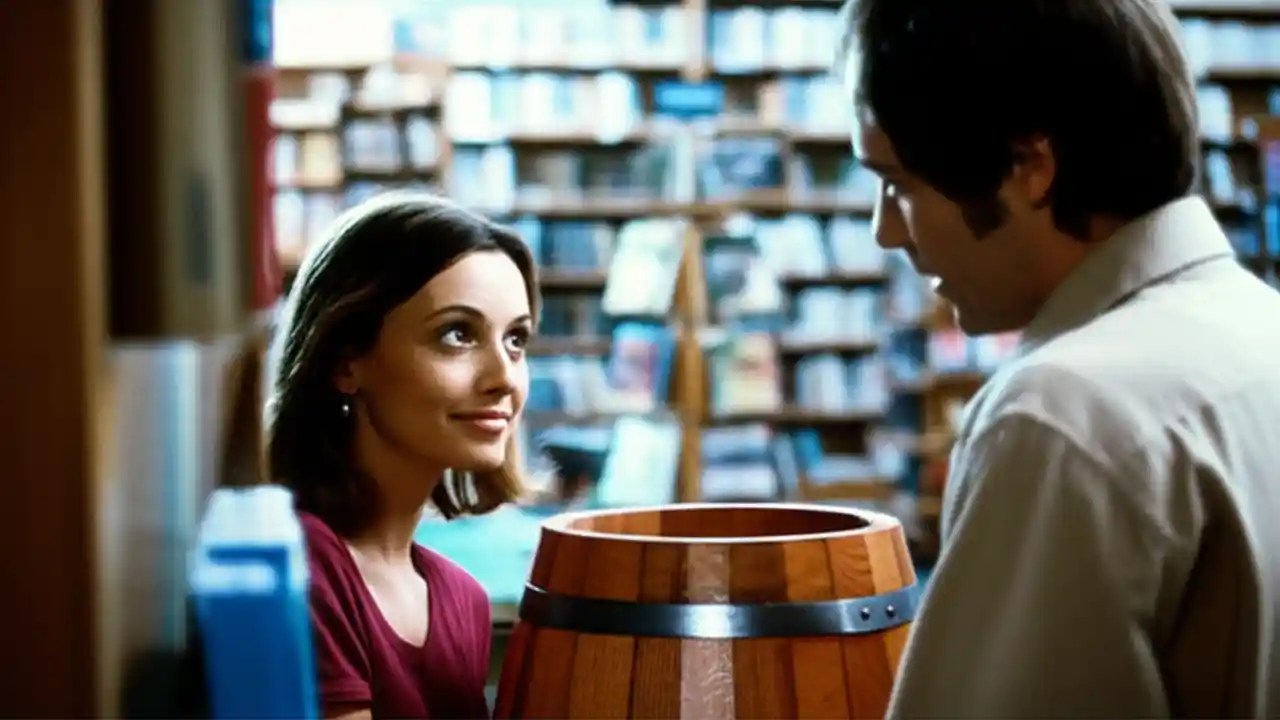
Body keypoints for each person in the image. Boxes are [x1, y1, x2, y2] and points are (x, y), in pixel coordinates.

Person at [837, 0, 1280, 716]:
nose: (886, 232)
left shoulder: (1058, 418)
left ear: (1029, 166)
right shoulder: (1262, 328)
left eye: (899, 184)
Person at [266, 192, 538, 719]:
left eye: (515, 340)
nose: (504, 377)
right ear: (346, 362)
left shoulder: (465, 600)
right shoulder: (307, 564)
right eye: (457, 334)